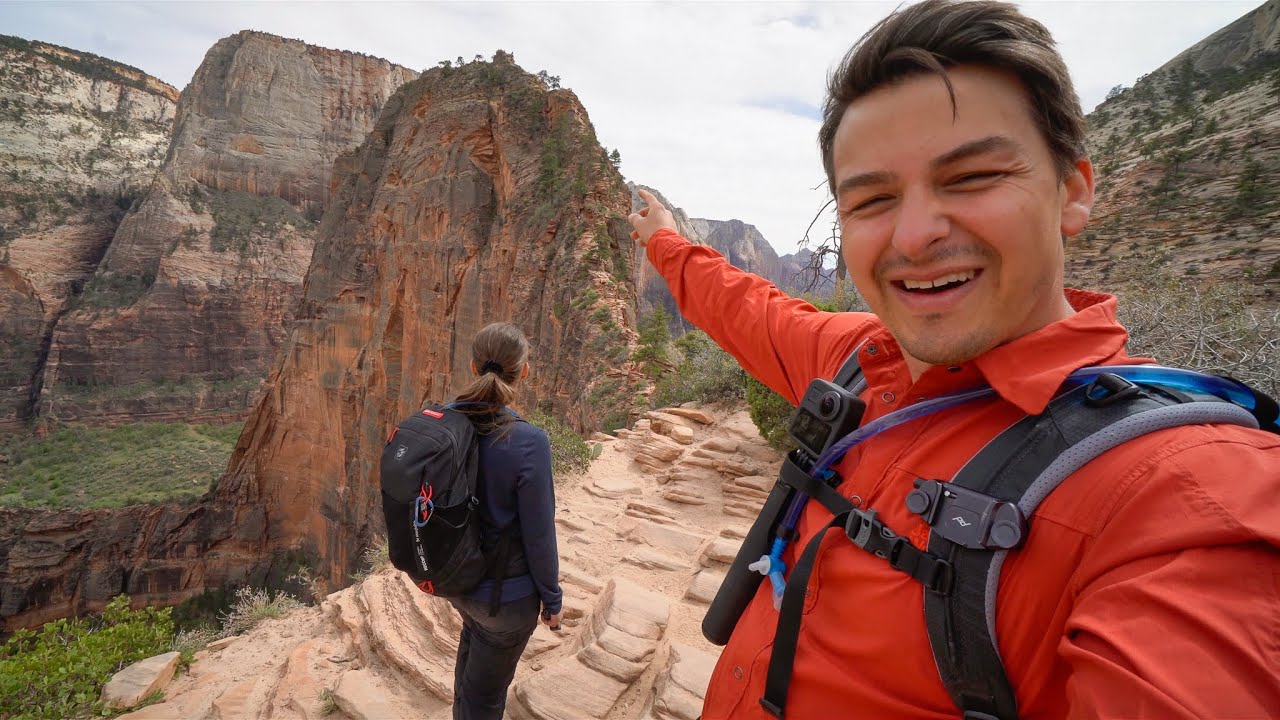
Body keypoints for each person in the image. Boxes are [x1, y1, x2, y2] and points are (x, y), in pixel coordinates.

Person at [627, 1, 1280, 717]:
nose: (915, 234)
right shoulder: (857, 359)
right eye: (872, 199)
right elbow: (745, 308)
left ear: (1072, 192)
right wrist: (663, 240)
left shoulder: (1188, 499)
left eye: (969, 178)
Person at [446, 322, 563, 720]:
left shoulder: (446, 422)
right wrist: (552, 598)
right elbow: (539, 534)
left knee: (471, 673)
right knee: (485, 700)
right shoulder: (529, 442)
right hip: (505, 599)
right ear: (524, 371)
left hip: (456, 581)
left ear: (473, 366)